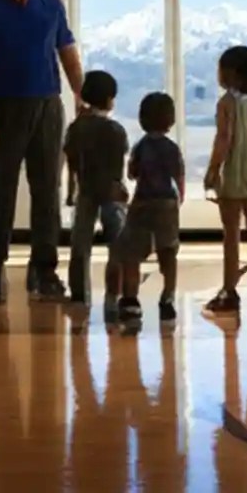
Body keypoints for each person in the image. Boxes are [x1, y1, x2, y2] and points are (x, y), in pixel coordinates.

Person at [0, 0, 84, 303]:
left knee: (47, 189)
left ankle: (45, 269)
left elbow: (67, 54)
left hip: (47, 106)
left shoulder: (51, 5)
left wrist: (83, 95)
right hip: (3, 110)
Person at [202, 45, 247, 317]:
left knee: (231, 235)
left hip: (232, 175)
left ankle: (229, 291)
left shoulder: (226, 104)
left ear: (233, 74)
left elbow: (224, 139)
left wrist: (213, 169)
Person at [112, 92, 183, 323]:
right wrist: (178, 198)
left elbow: (132, 173)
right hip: (167, 203)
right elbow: (178, 175)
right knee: (168, 251)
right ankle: (168, 296)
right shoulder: (172, 148)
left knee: (131, 252)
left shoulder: (140, 146)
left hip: (142, 202)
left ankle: (131, 300)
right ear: (170, 120)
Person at [63, 70, 130, 305]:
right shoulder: (115, 130)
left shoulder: (76, 128)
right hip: (111, 193)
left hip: (86, 191)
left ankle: (79, 292)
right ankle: (115, 291)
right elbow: (119, 163)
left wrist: (71, 191)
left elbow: (71, 163)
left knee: (80, 244)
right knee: (118, 244)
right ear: (110, 99)